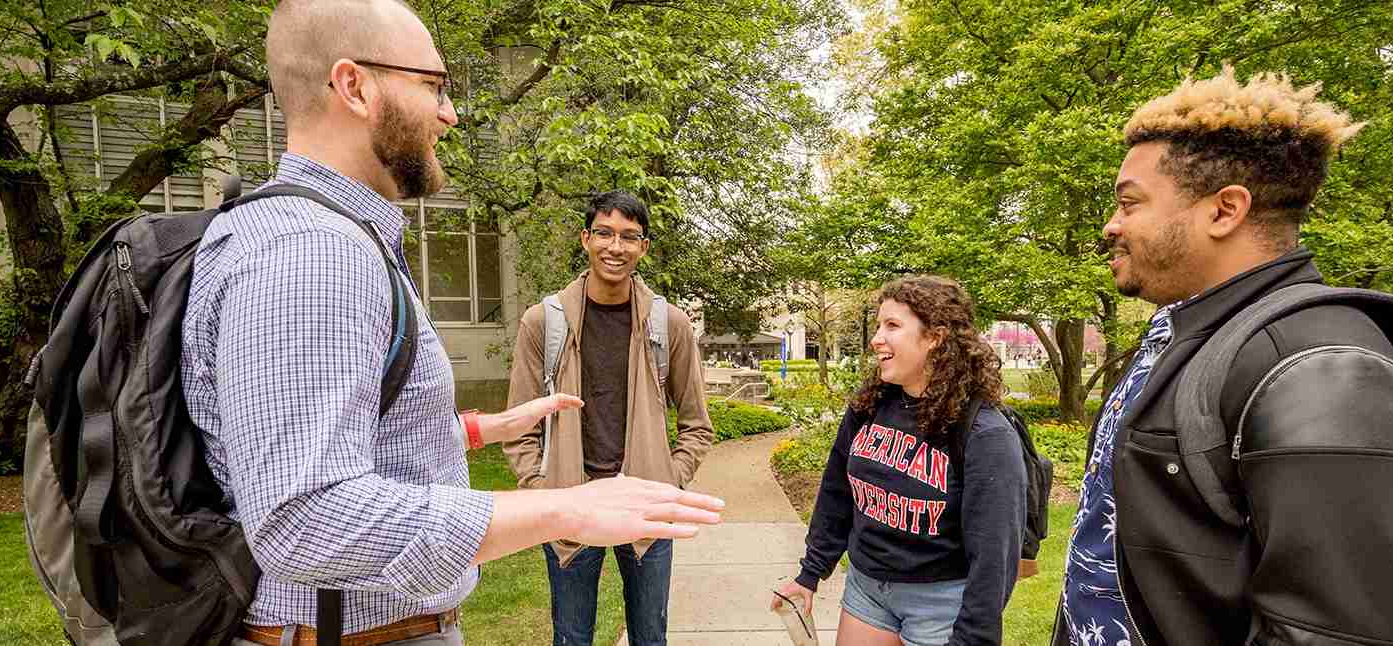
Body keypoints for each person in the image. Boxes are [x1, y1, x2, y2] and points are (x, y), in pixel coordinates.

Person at [179, 2, 724, 645]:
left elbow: (348, 434)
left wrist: (471, 430)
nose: (450, 113)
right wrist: (559, 504)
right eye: (433, 86)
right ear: (354, 86)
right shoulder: (313, 253)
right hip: (349, 633)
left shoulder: (334, 237)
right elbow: (304, 518)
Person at [1055, 68, 1393, 645]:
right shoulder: (1190, 335)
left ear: (1225, 210)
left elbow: (1342, 630)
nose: (1111, 225)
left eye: (1129, 203)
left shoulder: (1322, 367)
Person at [502, 191, 716, 646]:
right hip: (570, 502)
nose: (615, 247)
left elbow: (697, 424)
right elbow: (519, 424)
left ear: (644, 247)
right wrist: (542, 488)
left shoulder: (669, 325)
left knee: (650, 638)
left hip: (646, 505)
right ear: (586, 239)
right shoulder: (544, 322)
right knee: (571, 637)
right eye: (604, 233)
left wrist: (668, 480)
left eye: (628, 236)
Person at [774, 275, 1026, 646]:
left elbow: (995, 553)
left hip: (941, 603)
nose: (877, 338)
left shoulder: (984, 432)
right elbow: (837, 492)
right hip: (867, 589)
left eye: (892, 325)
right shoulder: (870, 406)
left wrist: (974, 636)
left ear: (935, 337)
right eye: (878, 325)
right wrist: (810, 573)